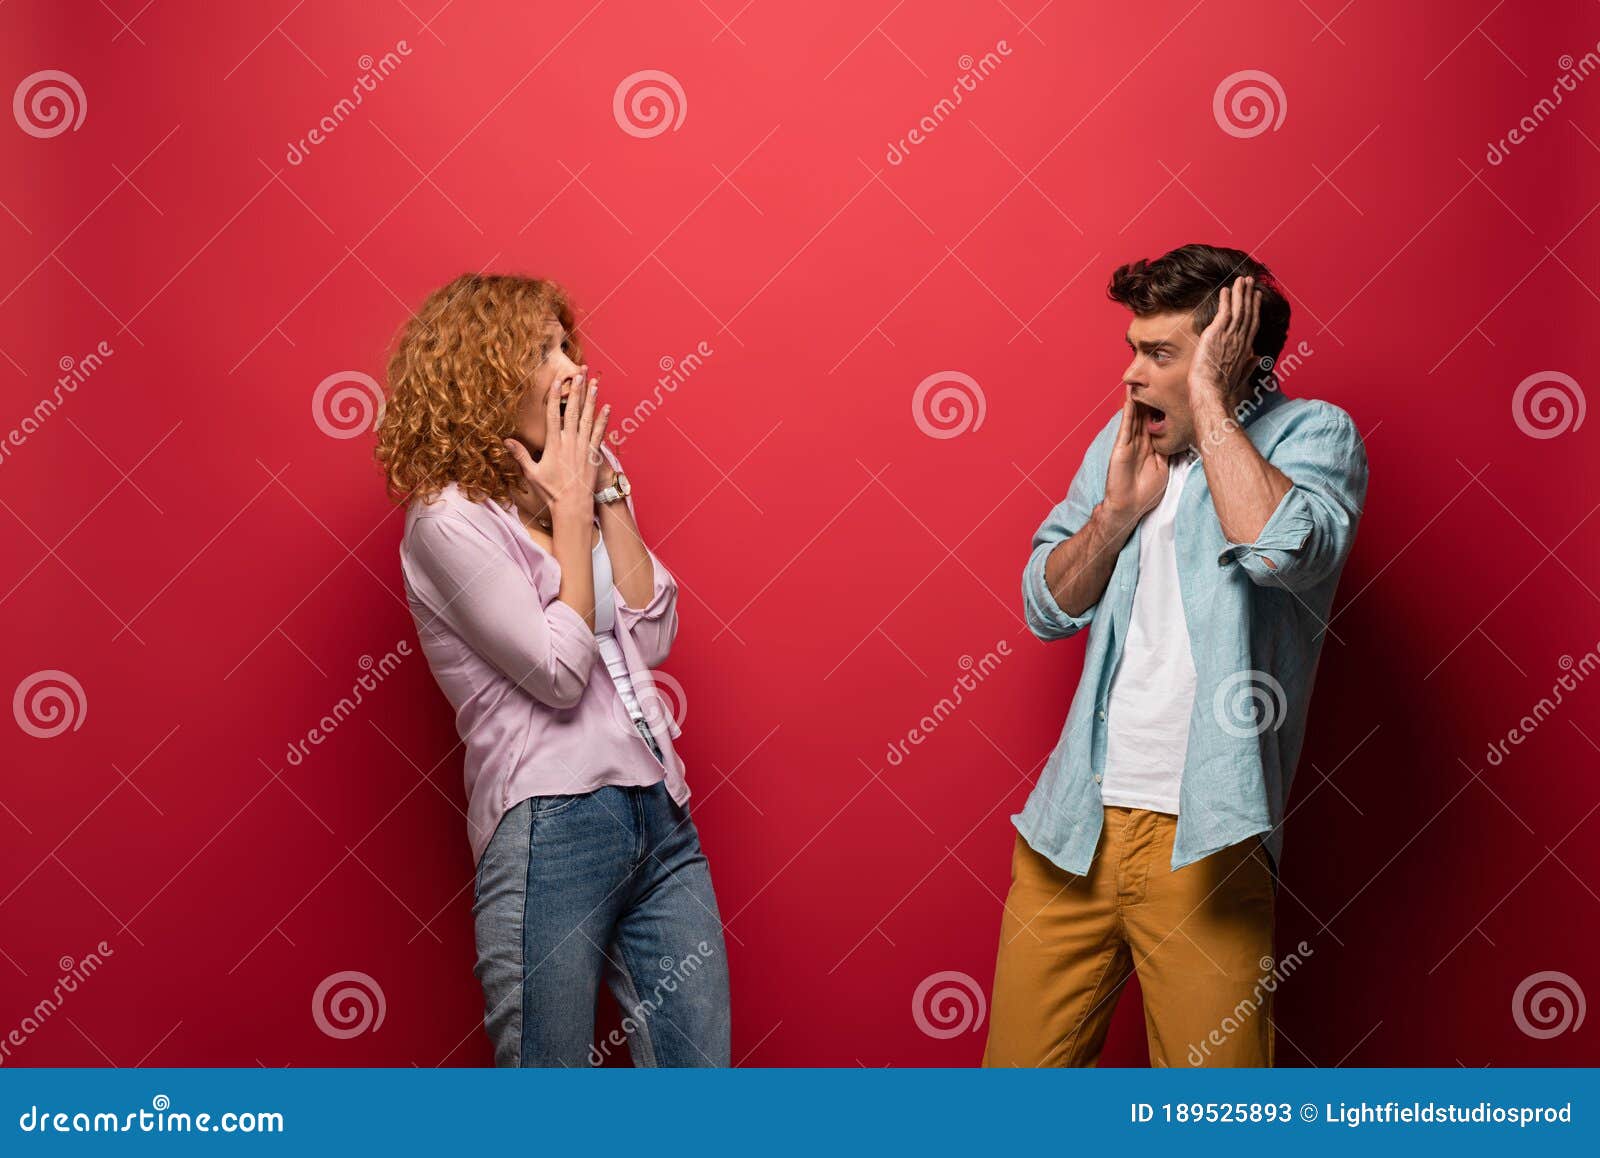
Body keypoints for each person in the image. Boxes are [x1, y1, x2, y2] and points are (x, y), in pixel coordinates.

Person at [983, 245, 1368, 1067]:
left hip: (1208, 838)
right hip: (1071, 832)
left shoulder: (1313, 435)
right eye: (1132, 349)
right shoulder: (1122, 447)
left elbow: (1277, 551)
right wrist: (1115, 516)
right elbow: (1046, 607)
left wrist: (1214, 408)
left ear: (1228, 359)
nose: (1130, 375)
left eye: (1159, 355)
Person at [376, 273, 730, 1067]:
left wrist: (603, 492)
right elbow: (559, 675)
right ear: (486, 374)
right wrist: (573, 515)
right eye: (543, 351)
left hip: (658, 809)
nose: (572, 367)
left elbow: (657, 627)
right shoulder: (447, 519)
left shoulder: (565, 488)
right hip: (550, 823)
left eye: (568, 345)